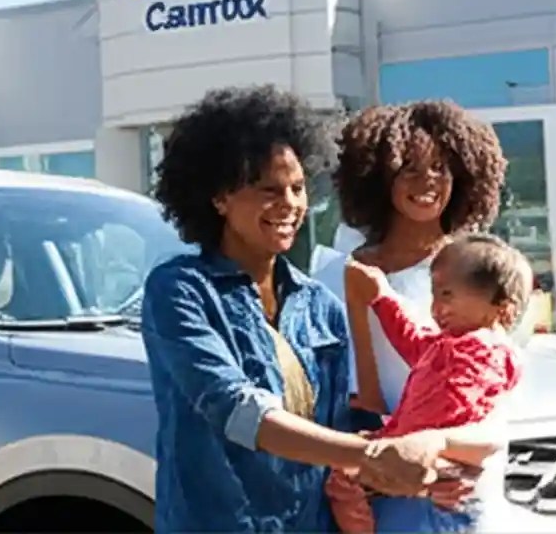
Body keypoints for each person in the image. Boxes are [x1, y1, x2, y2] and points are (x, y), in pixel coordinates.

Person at [140, 85, 460, 533]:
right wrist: (372, 455)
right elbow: (236, 410)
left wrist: (427, 468)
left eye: (297, 187)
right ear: (219, 198)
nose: (289, 204)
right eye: (269, 189)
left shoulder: (319, 305)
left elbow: (344, 426)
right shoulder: (180, 291)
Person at [312, 99, 514, 531]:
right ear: (379, 178)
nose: (428, 181)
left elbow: (494, 399)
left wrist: (441, 458)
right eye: (410, 168)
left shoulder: (479, 275)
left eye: (442, 167)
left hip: (449, 486)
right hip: (364, 478)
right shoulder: (335, 273)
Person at [326, 233, 529, 533]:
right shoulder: (449, 346)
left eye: (446, 294)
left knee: (344, 482)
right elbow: (413, 340)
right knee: (342, 482)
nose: (436, 308)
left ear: (500, 306)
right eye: (434, 295)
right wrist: (382, 297)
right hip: (420, 472)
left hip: (439, 491)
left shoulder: (485, 349)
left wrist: (410, 449)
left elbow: (459, 416)